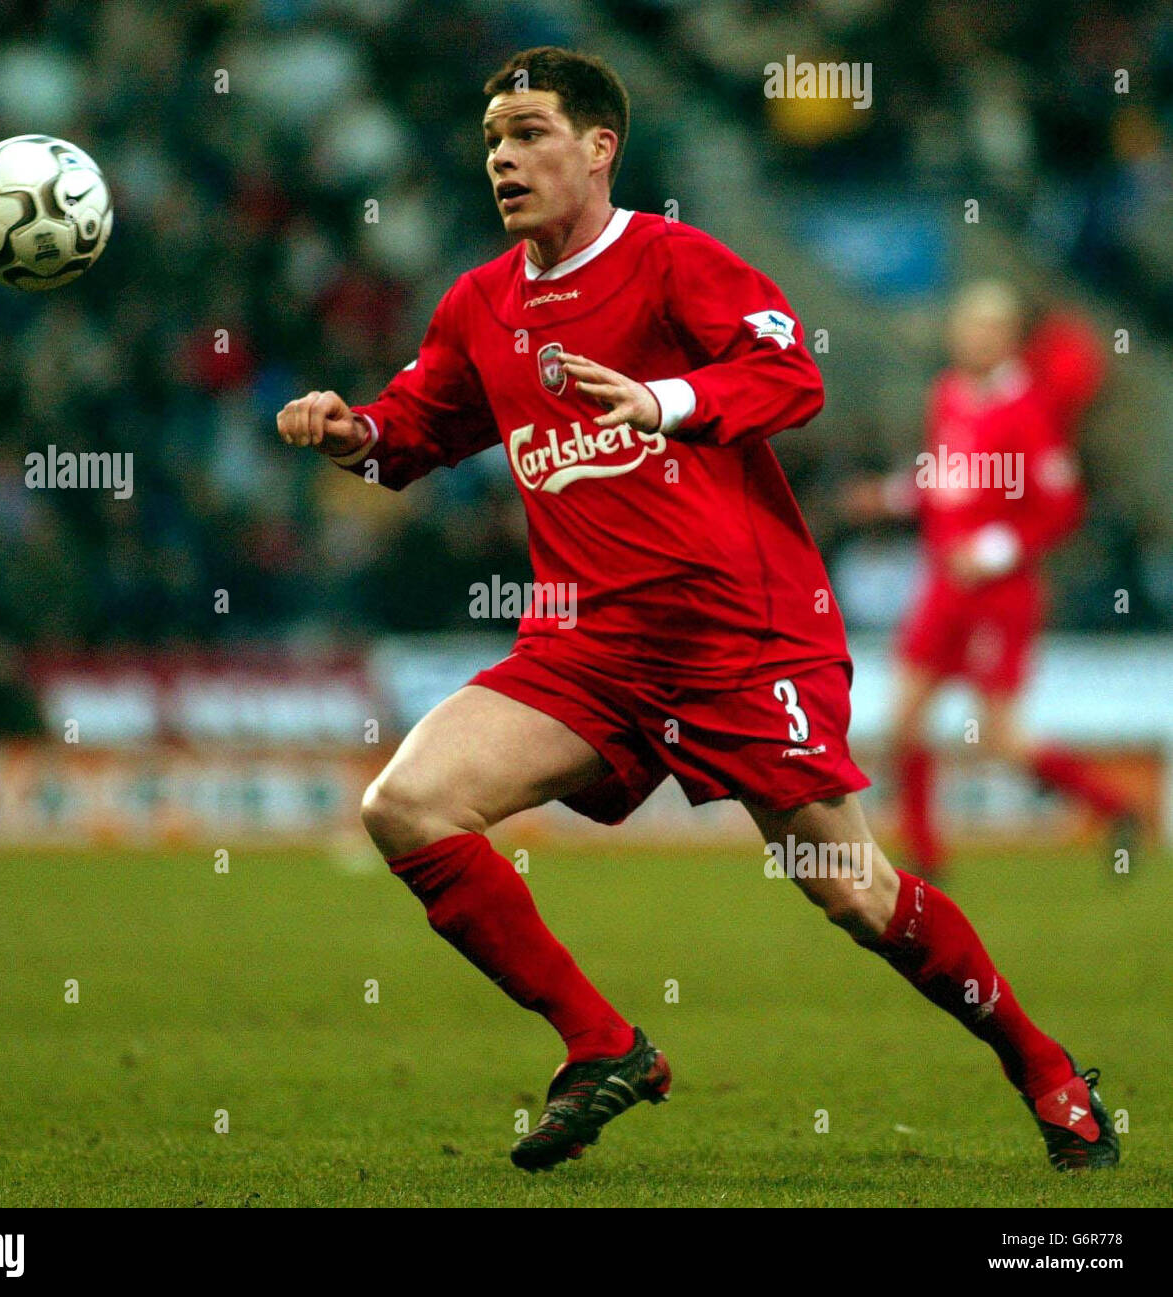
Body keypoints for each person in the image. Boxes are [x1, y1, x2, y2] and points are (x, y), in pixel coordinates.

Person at [277, 48, 1118, 1173]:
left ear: (598, 147)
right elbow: (422, 422)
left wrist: (665, 400)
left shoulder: (677, 263)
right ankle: (603, 1045)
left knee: (853, 894)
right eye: (492, 141)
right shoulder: (481, 303)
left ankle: (1043, 1067)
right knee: (408, 804)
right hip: (584, 650)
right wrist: (358, 434)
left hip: (735, 633)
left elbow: (790, 379)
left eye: (529, 132)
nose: (505, 158)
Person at [844, 283, 1137, 878]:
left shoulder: (1030, 410)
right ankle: (925, 860)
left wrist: (995, 549)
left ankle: (1116, 807)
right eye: (965, 327)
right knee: (902, 722)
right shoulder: (949, 393)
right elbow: (949, 480)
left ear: (1007, 339)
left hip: (1001, 596)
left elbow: (1060, 505)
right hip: (944, 588)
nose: (970, 339)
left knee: (1000, 737)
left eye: (983, 330)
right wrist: (893, 496)